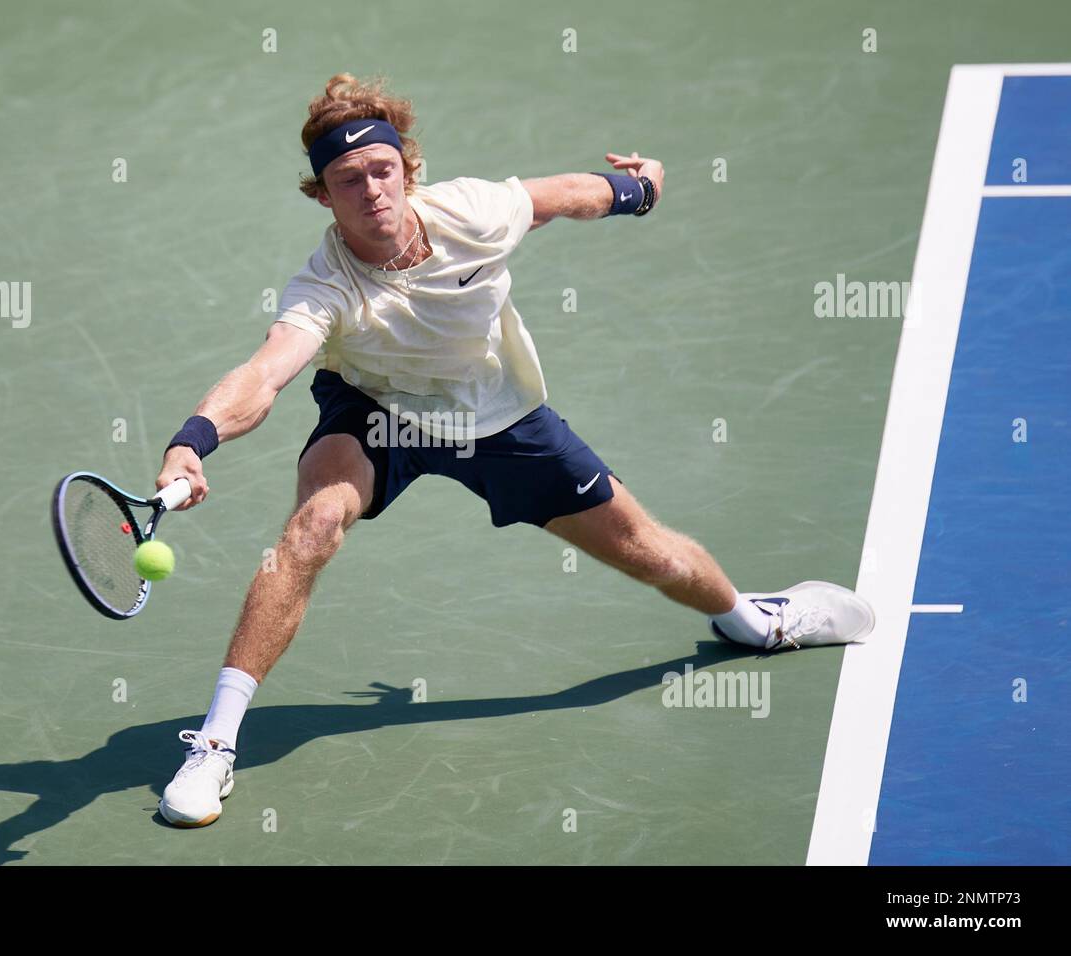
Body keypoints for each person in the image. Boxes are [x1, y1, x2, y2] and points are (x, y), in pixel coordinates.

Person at [152, 73, 875, 827]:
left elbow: (567, 194)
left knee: (651, 554)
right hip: (376, 412)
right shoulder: (324, 286)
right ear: (323, 197)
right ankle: (214, 744)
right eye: (347, 180)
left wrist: (639, 189)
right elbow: (267, 372)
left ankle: (754, 622)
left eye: (382, 170)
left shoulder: (473, 213)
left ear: (408, 168)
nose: (370, 191)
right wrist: (191, 441)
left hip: (500, 418)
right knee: (312, 528)